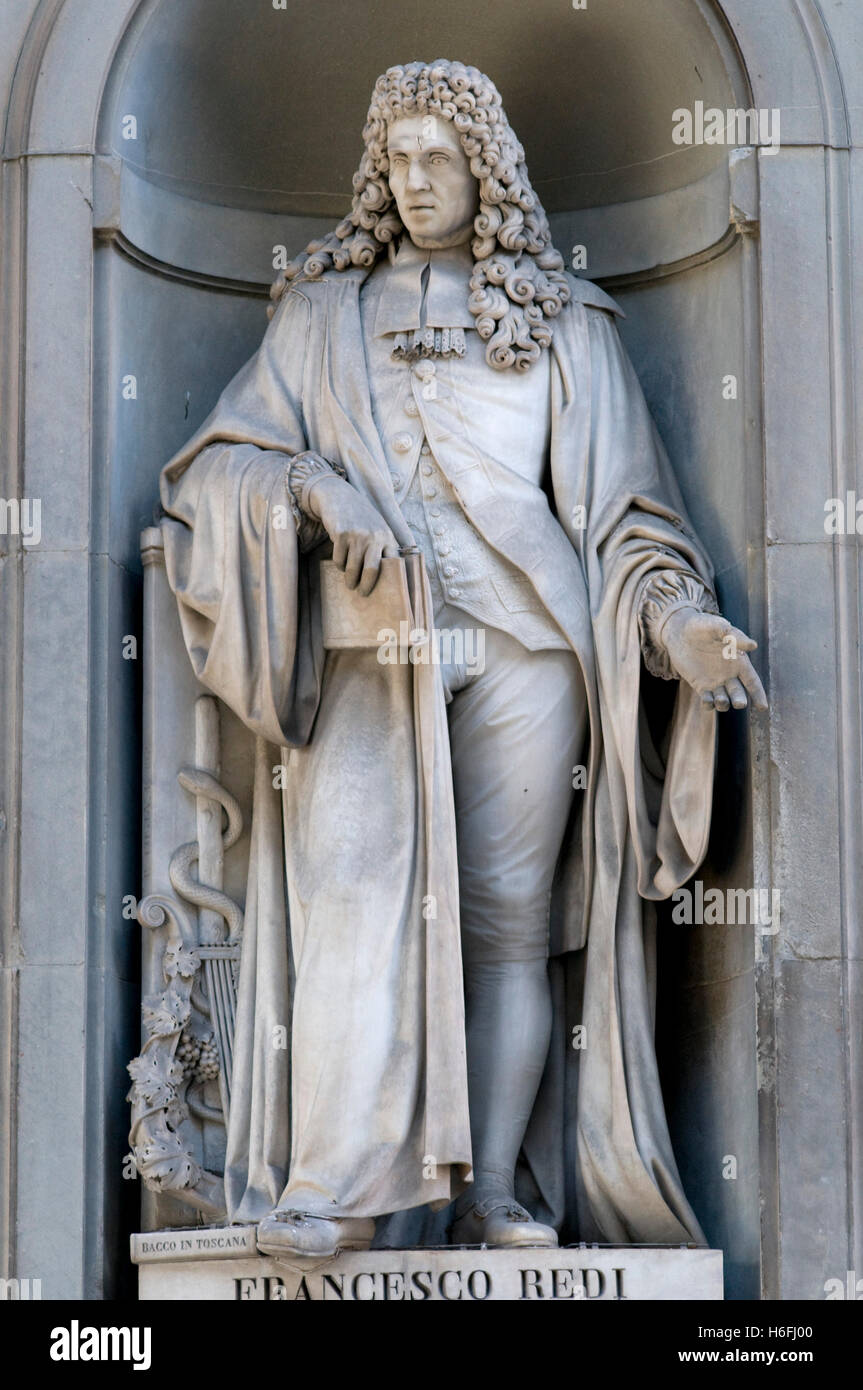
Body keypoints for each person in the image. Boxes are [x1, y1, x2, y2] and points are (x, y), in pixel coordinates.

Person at [159, 59, 766, 1261]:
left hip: (528, 649)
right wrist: (311, 483)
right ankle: (334, 1186)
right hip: (368, 661)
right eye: (398, 161)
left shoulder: (565, 326)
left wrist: (676, 629)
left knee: (497, 929)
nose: (417, 179)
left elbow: (627, 523)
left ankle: (491, 1193)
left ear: (485, 172)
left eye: (440, 158)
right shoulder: (319, 315)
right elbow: (208, 474)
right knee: (349, 903)